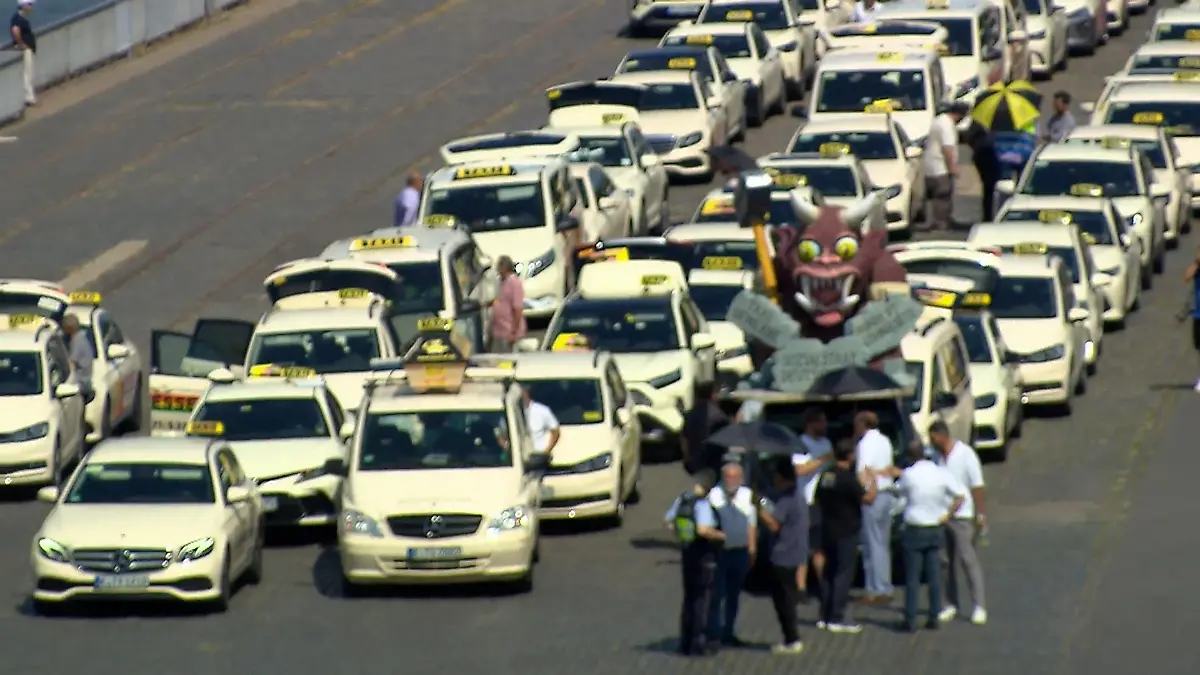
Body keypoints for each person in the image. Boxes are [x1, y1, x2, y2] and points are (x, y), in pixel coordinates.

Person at [889, 439, 965, 631]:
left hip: (915, 528)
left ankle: (911, 619)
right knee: (933, 574)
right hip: (935, 527)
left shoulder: (910, 475)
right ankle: (934, 615)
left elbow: (898, 492)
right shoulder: (941, 473)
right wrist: (947, 514)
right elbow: (960, 496)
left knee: (912, 577)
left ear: (910, 456)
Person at [814, 438, 877, 633]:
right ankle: (837, 617)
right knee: (844, 573)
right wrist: (873, 482)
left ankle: (824, 615)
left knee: (829, 573)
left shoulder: (827, 475)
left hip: (827, 528)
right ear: (850, 456)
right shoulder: (847, 478)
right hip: (846, 530)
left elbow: (817, 498)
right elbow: (867, 498)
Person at [929, 421, 988, 625]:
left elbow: (977, 485)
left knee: (967, 559)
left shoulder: (965, 454)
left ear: (942, 435)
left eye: (933, 438)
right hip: (942, 515)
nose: (931, 442)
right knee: (944, 561)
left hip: (962, 515)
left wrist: (980, 514)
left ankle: (979, 605)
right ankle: (950, 603)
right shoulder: (935, 456)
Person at [664, 470, 725, 657]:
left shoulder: (683, 499)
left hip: (687, 553)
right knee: (701, 599)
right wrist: (722, 536)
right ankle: (697, 642)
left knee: (688, 598)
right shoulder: (702, 504)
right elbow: (703, 529)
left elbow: (669, 522)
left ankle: (685, 639)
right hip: (703, 555)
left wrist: (682, 537)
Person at [754, 458, 807, 655]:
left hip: (783, 555)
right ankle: (791, 637)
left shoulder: (787, 499)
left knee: (783, 600)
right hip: (795, 552)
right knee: (787, 597)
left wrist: (760, 511)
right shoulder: (797, 495)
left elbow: (775, 524)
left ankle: (791, 639)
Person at [706, 462, 757, 647]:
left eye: (735, 477)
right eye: (728, 477)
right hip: (721, 553)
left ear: (741, 479)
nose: (731, 481)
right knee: (717, 594)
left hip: (740, 551)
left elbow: (751, 522)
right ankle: (713, 632)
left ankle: (728, 631)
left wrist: (752, 547)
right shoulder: (714, 496)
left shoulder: (747, 495)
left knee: (734, 595)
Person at [791, 408, 833, 599]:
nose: (825, 426)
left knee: (819, 545)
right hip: (804, 500)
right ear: (810, 424)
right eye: (821, 422)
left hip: (822, 501)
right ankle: (800, 586)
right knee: (802, 545)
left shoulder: (826, 443)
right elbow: (799, 470)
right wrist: (821, 460)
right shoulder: (800, 444)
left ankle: (822, 583)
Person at [854, 411, 895, 605]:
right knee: (882, 542)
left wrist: (866, 492)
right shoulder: (885, 440)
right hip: (887, 494)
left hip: (873, 496)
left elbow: (864, 471)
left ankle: (876, 588)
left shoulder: (865, 444)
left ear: (863, 424)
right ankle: (884, 584)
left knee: (871, 543)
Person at [922, 102, 967, 232]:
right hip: (940, 167)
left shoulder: (939, 120)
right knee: (943, 195)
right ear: (959, 115)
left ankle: (943, 220)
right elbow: (947, 148)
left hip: (931, 165)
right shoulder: (947, 125)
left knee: (938, 195)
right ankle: (941, 223)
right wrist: (952, 167)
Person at [681, 383, 729, 476]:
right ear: (712, 395)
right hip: (712, 461)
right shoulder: (718, 415)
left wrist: (687, 458)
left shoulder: (690, 413)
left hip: (694, 461)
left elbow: (684, 438)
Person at [960, 118, 999, 220]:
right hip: (986, 156)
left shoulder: (979, 121)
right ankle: (989, 216)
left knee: (989, 189)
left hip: (985, 155)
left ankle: (989, 215)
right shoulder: (979, 123)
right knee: (989, 188)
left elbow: (968, 138)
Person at [490, 256, 526, 352]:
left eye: (499, 266)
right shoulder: (500, 282)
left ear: (505, 267)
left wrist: (513, 332)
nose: (497, 269)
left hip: (509, 333)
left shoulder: (514, 283)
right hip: (499, 332)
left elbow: (518, 309)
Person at [60, 315, 95, 404]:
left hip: (81, 383)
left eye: (65, 328)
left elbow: (72, 364)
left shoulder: (77, 341)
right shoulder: (82, 338)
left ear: (70, 328)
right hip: (85, 381)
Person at [522, 386, 560, 455]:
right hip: (520, 456)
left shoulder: (542, 410)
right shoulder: (512, 412)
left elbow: (555, 431)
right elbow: (500, 432)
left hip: (539, 455)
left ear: (526, 393)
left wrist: (547, 450)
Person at [10, 0, 35, 107]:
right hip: (26, 49)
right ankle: (29, 98)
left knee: (28, 73)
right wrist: (21, 44)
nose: (31, 7)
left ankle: (28, 97)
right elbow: (15, 30)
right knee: (27, 73)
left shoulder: (18, 17)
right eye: (30, 5)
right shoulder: (18, 18)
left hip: (27, 49)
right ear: (24, 6)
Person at [1181, 247, 1200, 390]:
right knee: (1198, 345)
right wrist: (1196, 264)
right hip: (1198, 314)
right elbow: (1186, 278)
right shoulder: (1197, 269)